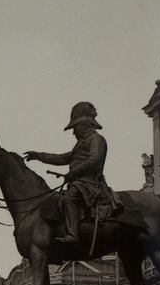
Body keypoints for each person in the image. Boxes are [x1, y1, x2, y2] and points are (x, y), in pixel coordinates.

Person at [23, 102, 119, 247]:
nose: (74, 132)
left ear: (83, 125)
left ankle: (72, 235)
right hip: (80, 183)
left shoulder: (97, 139)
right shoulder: (82, 142)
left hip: (91, 183)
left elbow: (94, 160)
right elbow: (63, 158)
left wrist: (72, 173)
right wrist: (39, 156)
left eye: (75, 128)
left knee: (69, 198)